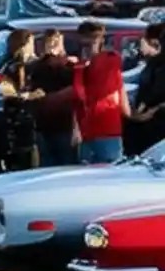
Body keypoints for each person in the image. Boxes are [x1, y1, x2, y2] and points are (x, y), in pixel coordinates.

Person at [73, 19, 130, 164]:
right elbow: (78, 97)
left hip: (105, 127)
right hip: (91, 129)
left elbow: (110, 89)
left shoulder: (110, 60)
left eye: (90, 41)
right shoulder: (81, 66)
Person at [29, 28, 77, 166]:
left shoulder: (36, 66)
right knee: (65, 162)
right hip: (62, 122)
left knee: (47, 162)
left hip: (44, 122)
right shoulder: (67, 66)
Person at [0, 29, 45, 171]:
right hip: (21, 122)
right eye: (31, 42)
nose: (33, 46)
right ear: (24, 44)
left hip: (19, 122)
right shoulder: (16, 67)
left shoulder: (9, 66)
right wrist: (31, 95)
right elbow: (10, 93)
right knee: (27, 158)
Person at [126, 23, 165, 155]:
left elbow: (156, 91)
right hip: (148, 120)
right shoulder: (155, 63)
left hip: (154, 120)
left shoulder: (157, 64)